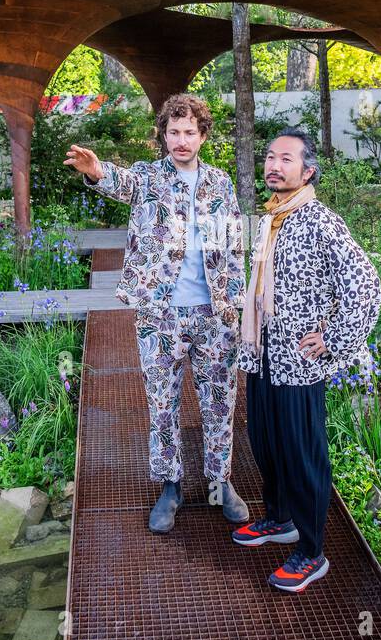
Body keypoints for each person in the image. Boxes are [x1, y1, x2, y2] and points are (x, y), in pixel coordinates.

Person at [63, 94, 248, 534]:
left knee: (220, 402)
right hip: (159, 313)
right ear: (162, 135)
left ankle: (220, 483)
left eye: (189, 132)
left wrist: (237, 305)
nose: (181, 140)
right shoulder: (148, 177)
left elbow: (235, 245)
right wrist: (96, 172)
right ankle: (170, 485)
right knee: (162, 404)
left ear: (203, 135)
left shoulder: (220, 184)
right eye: (173, 132)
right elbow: (119, 181)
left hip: (214, 314)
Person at [232, 127, 381, 593]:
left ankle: (311, 551)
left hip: (297, 361)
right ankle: (280, 519)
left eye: (286, 159)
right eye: (270, 157)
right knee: (266, 441)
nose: (274, 165)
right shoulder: (271, 217)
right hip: (263, 355)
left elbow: (366, 285)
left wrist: (334, 339)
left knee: (302, 453)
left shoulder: (320, 220)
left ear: (308, 170)